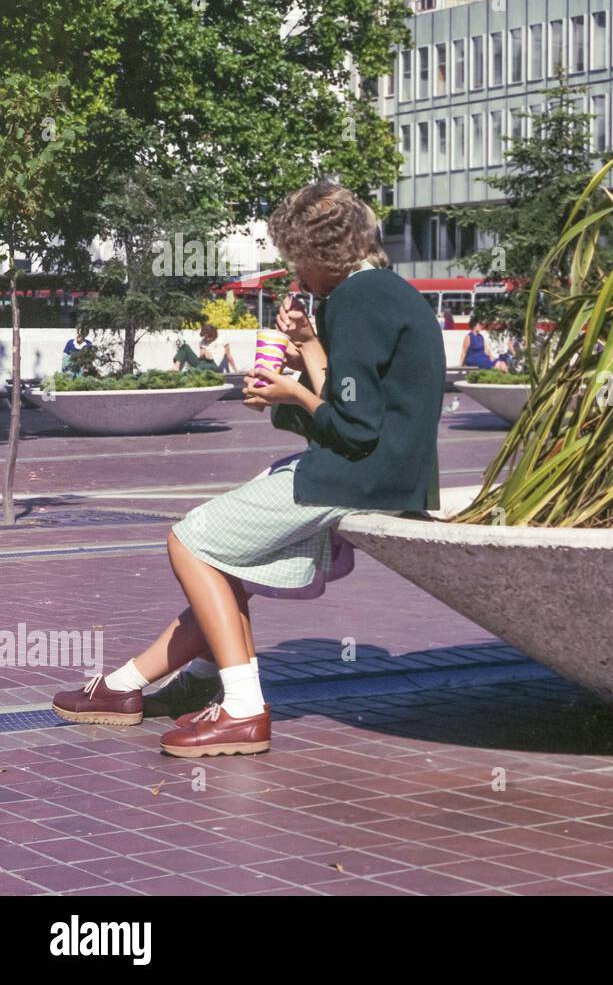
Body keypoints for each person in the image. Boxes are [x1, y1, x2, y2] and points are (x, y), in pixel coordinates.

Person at [52, 182, 446, 757]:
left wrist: (290, 393)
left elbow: (353, 427)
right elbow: (354, 398)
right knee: (226, 555)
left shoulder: (356, 301)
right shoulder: (384, 291)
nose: (295, 275)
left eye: (294, 260)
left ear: (315, 254)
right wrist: (309, 344)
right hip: (386, 472)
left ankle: (241, 710)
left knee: (190, 541)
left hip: (357, 474)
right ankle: (129, 686)